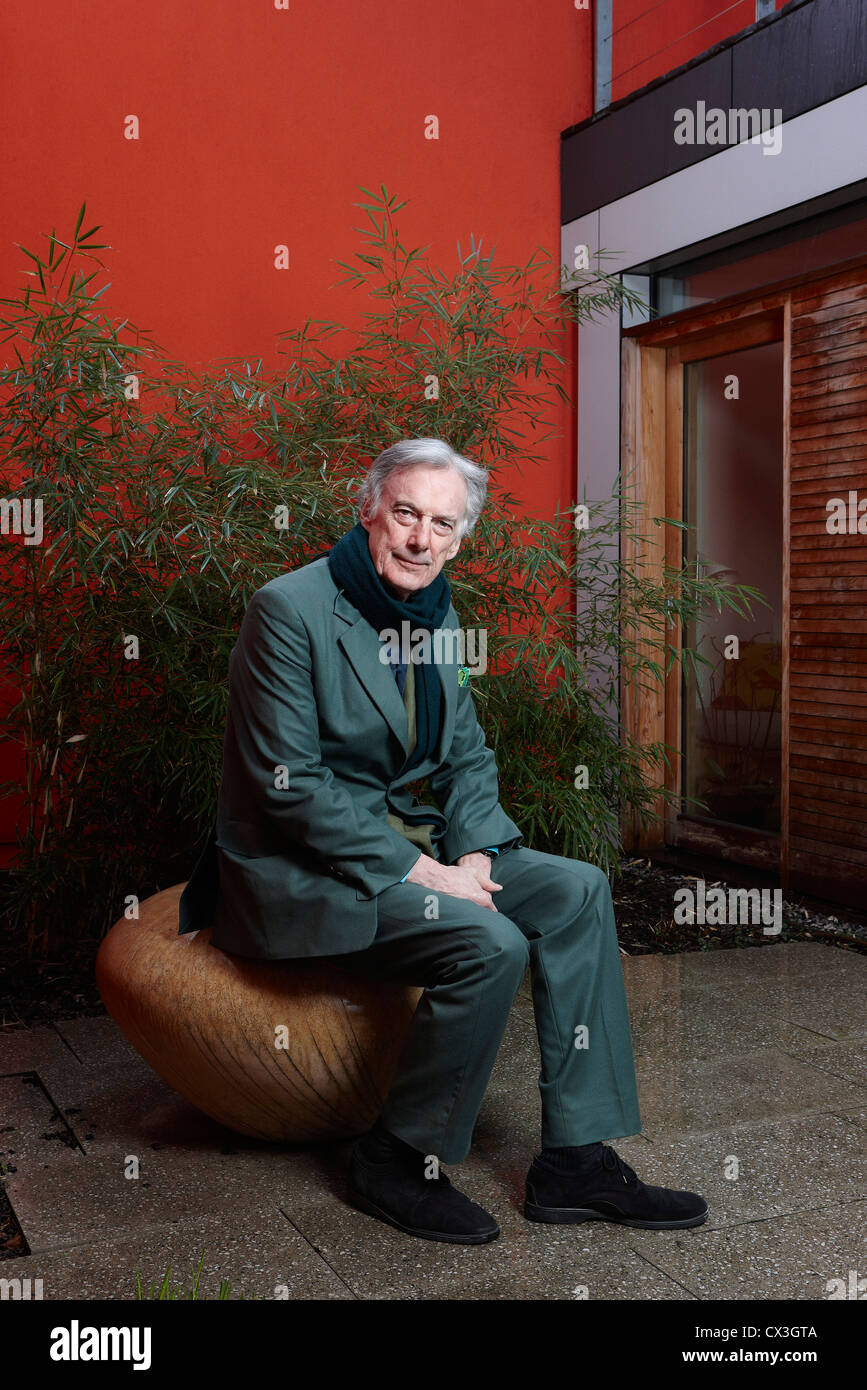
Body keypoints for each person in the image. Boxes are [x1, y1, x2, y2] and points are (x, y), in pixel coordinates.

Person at [178, 437, 708, 1244]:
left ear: (460, 538)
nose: (422, 539)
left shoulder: (437, 610)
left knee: (577, 890)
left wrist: (475, 853)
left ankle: (574, 1161)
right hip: (304, 866)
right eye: (406, 515)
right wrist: (425, 871)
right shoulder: (287, 609)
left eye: (444, 525)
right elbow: (286, 786)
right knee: (488, 941)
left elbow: (465, 752)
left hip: (408, 845)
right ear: (368, 511)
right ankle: (395, 1159)